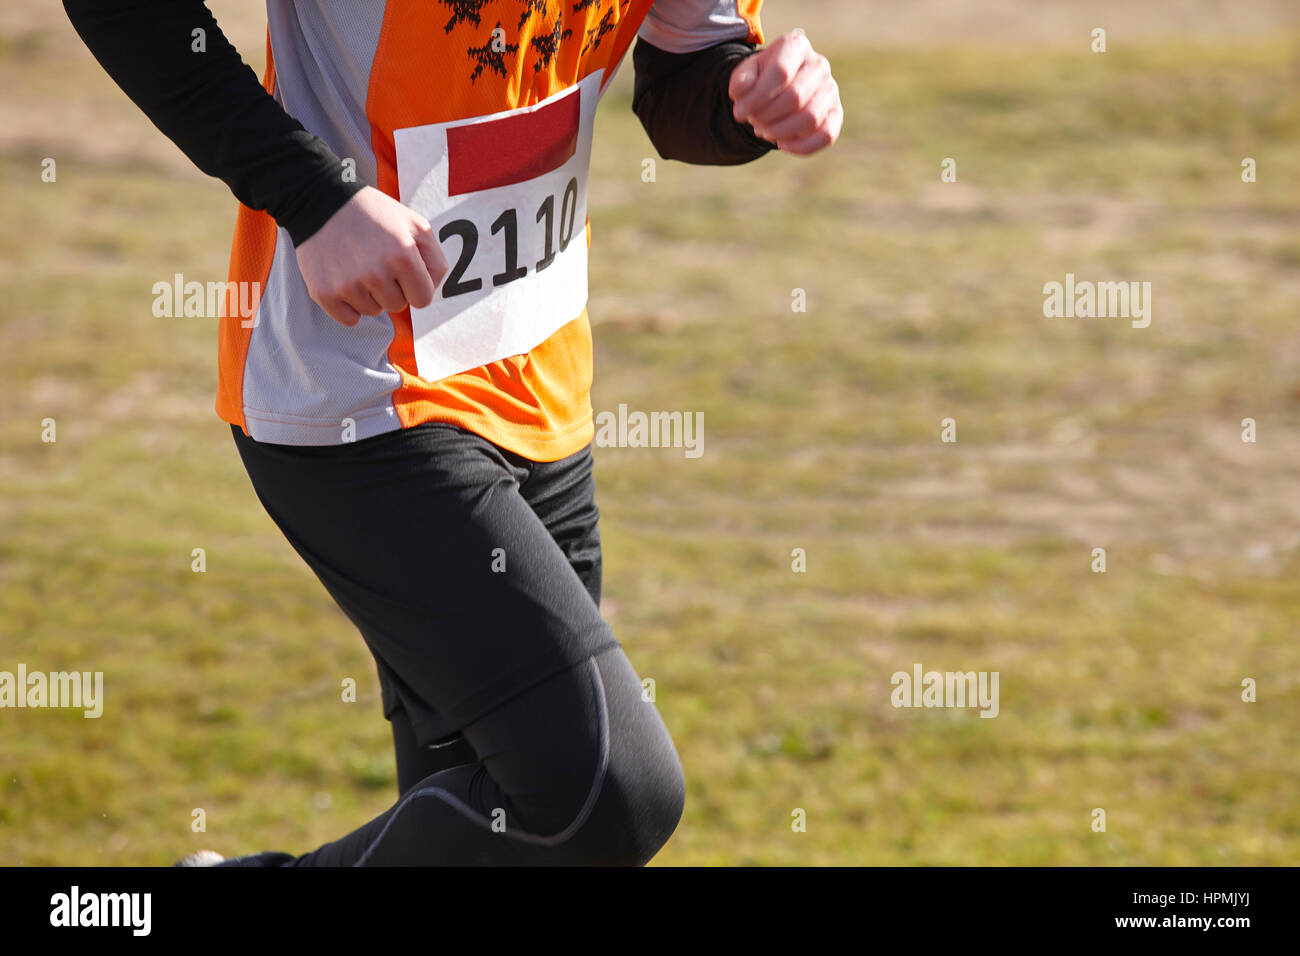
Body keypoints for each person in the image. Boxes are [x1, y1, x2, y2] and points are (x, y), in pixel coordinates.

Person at [63, 0, 842, 866]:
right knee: (600, 792)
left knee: (508, 836)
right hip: (359, 394)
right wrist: (313, 196)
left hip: (537, 387)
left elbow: (681, 77)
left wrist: (749, 91)